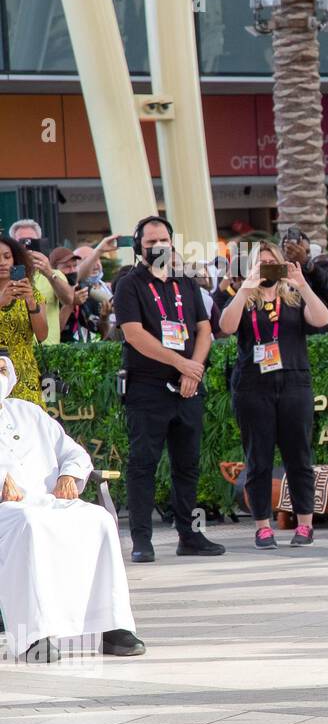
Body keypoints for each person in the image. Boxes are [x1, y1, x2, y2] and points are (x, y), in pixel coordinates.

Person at [0, 350, 145, 663]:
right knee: (29, 523)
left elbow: (75, 453)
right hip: (8, 510)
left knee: (98, 520)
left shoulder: (29, 413)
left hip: (49, 501)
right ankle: (32, 636)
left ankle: (112, 625)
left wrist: (69, 474)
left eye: (1, 369)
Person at [113, 215, 226, 563]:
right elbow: (133, 334)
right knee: (143, 464)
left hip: (188, 387)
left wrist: (195, 369)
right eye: (151, 243)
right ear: (139, 247)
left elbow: (204, 329)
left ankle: (189, 536)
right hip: (147, 388)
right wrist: (182, 364)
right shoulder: (129, 284)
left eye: (164, 240)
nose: (159, 247)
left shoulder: (186, 282)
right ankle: (142, 540)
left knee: (187, 464)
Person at [218, 241, 328, 549]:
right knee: (258, 458)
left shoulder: (293, 298)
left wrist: (303, 284)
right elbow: (225, 327)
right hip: (253, 386)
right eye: (261, 262)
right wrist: (245, 288)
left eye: (272, 262)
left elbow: (321, 319)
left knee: (299, 456)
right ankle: (262, 526)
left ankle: (305, 524)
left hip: (294, 383)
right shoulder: (244, 300)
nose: (267, 267)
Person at [7, 219, 72, 345]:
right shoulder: (5, 274)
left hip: (48, 351)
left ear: (40, 243)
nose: (26, 246)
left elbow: (68, 300)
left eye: (32, 242)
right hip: (15, 351)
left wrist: (48, 273)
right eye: (21, 242)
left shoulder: (54, 274)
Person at [0, 237, 48, 404]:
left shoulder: (32, 294)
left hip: (25, 377)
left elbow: (42, 336)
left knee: (29, 427)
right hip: (1, 375)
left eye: (7, 257)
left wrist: (31, 303)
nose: (2, 262)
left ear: (16, 260)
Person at [280, 227, 328, 333]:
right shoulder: (277, 274)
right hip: (288, 337)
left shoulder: (321, 267)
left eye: (306, 252)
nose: (299, 254)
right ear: (282, 253)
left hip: (319, 336)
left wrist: (305, 262)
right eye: (291, 250)